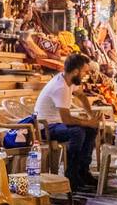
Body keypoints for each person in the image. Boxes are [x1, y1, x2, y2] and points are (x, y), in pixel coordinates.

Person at [34, 52, 102, 194]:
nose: (86, 75)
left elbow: (82, 97)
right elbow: (67, 120)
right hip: (45, 127)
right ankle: (71, 175)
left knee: (90, 130)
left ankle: (83, 171)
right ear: (76, 71)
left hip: (58, 124)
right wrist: (88, 122)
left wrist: (91, 117)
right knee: (77, 132)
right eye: (85, 72)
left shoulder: (70, 81)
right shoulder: (61, 88)